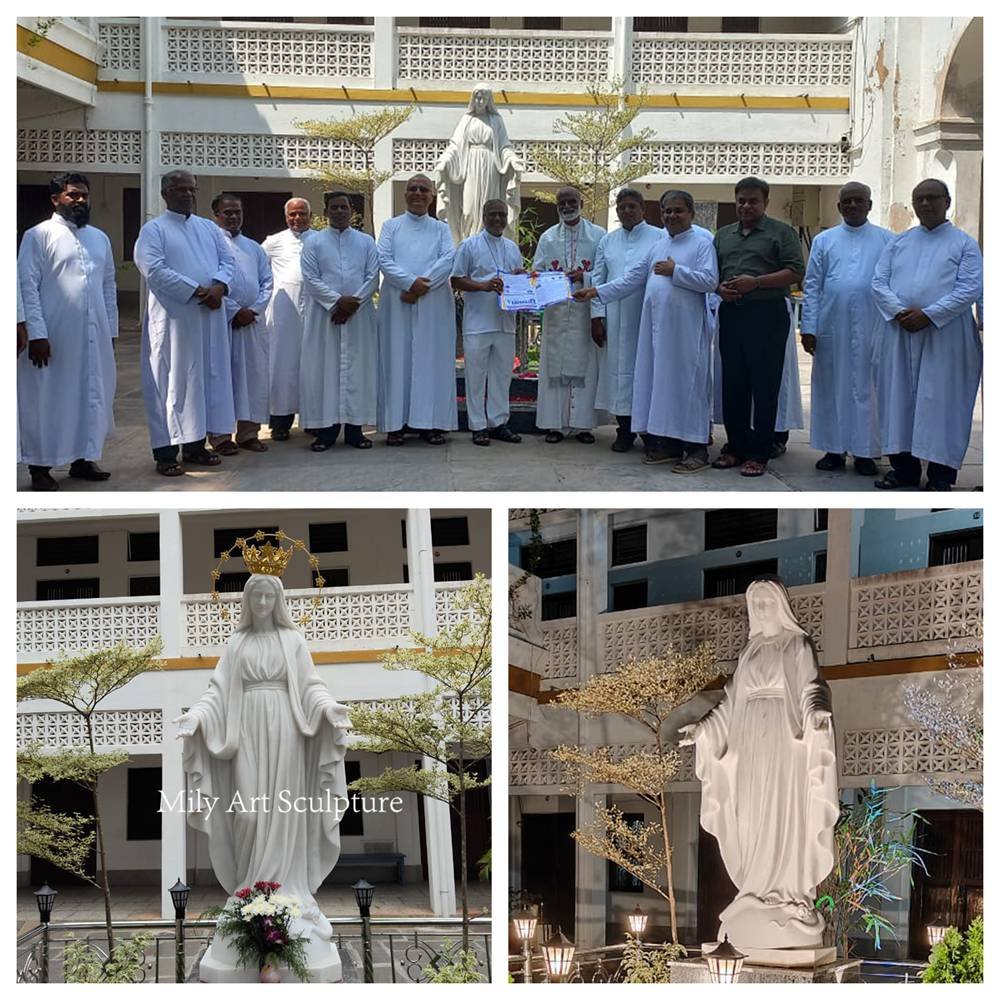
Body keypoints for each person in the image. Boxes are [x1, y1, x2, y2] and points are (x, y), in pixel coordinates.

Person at [176, 572, 350, 978]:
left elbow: (311, 686)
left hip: (287, 731)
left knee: (285, 811)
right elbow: (215, 693)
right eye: (256, 595)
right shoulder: (236, 645)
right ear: (247, 600)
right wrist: (196, 717)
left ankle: (287, 891)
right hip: (246, 730)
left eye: (269, 595)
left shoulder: (293, 642)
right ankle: (250, 891)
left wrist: (329, 709)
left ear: (278, 600)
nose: (262, 602)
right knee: (249, 813)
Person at [680, 578, 838, 949]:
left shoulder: (796, 644)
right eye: (757, 604)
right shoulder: (749, 653)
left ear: (780, 605)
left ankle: (786, 891)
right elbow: (729, 704)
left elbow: (812, 686)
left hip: (785, 746)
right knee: (749, 815)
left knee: (783, 815)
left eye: (767, 603)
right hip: (750, 746)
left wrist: (815, 711)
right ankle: (755, 888)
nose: (762, 610)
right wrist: (702, 730)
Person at [575, 190, 718, 473]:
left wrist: (677, 271)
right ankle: (671, 445)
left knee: (688, 387)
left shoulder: (702, 243)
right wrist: (595, 291)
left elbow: (710, 281)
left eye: (678, 211)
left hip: (686, 332)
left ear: (690, 213)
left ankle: (697, 449)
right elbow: (632, 279)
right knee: (662, 388)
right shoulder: (659, 244)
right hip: (657, 332)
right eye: (667, 211)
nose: (672, 216)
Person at [871, 178, 983, 491]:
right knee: (898, 402)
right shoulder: (899, 242)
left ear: (947, 202)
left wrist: (930, 315)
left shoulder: (964, 244)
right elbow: (879, 282)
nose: (925, 204)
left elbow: (970, 288)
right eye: (919, 198)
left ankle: (941, 477)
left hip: (945, 337)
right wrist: (898, 311)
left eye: (932, 198)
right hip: (900, 333)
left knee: (943, 404)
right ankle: (903, 471)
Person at [17, 171, 117, 491]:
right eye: (73, 194)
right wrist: (36, 334)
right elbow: (27, 287)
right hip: (52, 337)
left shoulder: (99, 238)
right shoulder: (38, 235)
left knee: (89, 396)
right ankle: (40, 466)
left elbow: (109, 286)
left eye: (84, 195)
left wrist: (110, 331)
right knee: (48, 399)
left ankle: (82, 459)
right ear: (56, 198)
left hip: (94, 336)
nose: (80, 200)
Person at [134, 169, 235, 476]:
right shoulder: (154, 230)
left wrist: (219, 286)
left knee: (203, 380)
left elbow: (227, 261)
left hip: (209, 316)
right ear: (165, 194)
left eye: (192, 190)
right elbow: (154, 269)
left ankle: (194, 447)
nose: (189, 195)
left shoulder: (208, 228)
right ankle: (165, 453)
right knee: (169, 382)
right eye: (181, 190)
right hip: (175, 319)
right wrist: (195, 290)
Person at [712, 177, 805, 477]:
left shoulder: (781, 232)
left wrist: (757, 282)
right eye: (741, 200)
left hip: (767, 314)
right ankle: (736, 446)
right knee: (733, 383)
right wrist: (719, 289)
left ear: (765, 202)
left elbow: (795, 271)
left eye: (753, 201)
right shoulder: (723, 235)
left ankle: (760, 452)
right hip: (732, 314)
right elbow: (712, 272)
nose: (746, 206)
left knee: (764, 386)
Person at [800, 182, 893, 475]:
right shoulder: (824, 240)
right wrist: (809, 326)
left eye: (858, 200)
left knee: (868, 389)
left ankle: (866, 453)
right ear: (838, 207)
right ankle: (833, 450)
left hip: (873, 326)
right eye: (847, 201)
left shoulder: (887, 240)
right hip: (832, 327)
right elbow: (812, 284)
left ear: (869, 205)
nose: (853, 205)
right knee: (832, 387)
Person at [376, 174, 458, 445]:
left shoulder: (441, 229)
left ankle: (431, 423)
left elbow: (448, 258)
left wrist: (423, 286)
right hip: (399, 302)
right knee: (396, 360)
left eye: (424, 189)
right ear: (405, 195)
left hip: (432, 303)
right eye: (413, 189)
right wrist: (410, 284)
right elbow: (384, 259)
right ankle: (395, 424)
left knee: (431, 361)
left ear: (432, 196)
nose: (418, 193)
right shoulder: (391, 226)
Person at [299, 191, 379, 452]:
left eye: (344, 207)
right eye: (334, 207)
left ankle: (356, 431)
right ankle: (326, 431)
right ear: (325, 212)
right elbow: (310, 278)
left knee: (358, 371)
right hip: (325, 318)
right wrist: (336, 302)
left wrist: (352, 303)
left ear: (351, 211)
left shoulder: (366, 242)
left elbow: (373, 276)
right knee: (325, 371)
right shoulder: (313, 243)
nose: (340, 211)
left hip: (359, 316)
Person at [590, 188, 662, 452]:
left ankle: (650, 432)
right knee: (617, 376)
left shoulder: (659, 237)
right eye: (622, 207)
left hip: (645, 317)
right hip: (614, 316)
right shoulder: (608, 241)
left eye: (632, 206)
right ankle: (625, 429)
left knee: (645, 374)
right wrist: (596, 317)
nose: (627, 211)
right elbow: (597, 279)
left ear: (643, 209)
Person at [534, 186, 606, 443]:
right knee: (555, 366)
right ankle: (554, 425)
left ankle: (583, 425)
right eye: (562, 203)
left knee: (585, 367)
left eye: (571, 201)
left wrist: (583, 277)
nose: (567, 206)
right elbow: (538, 271)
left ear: (581, 203)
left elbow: (602, 274)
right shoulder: (548, 237)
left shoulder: (599, 236)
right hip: (556, 313)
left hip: (585, 312)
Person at [450, 199, 524, 446]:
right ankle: (478, 425)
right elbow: (456, 279)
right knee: (476, 376)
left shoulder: (512, 248)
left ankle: (498, 422)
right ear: (483, 216)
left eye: (502, 215)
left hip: (506, 322)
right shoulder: (469, 246)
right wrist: (483, 285)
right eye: (493, 214)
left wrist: (524, 281)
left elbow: (518, 280)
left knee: (502, 376)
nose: (498, 219)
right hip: (478, 322)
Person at [209, 193, 273, 455]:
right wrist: (234, 310)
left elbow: (267, 281)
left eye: (238, 212)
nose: (234, 217)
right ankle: (221, 436)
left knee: (253, 378)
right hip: (224, 323)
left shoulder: (254, 247)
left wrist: (254, 309)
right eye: (228, 212)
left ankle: (249, 433)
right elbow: (210, 280)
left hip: (252, 324)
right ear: (217, 215)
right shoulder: (210, 245)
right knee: (224, 378)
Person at [435, 85, 523, 244]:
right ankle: (469, 242)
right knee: (468, 210)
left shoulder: (496, 121)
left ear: (489, 100)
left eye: (483, 97)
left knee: (491, 206)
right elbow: (455, 146)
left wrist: (512, 159)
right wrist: (445, 160)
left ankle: (490, 243)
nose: (480, 101)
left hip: (491, 167)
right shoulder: (466, 120)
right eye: (477, 97)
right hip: (470, 167)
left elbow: (504, 147)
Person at [263, 198, 315, 441]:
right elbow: (259, 270)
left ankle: (314, 420)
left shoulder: (319, 239)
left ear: (310, 215)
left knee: (313, 365)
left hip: (315, 310)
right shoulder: (273, 242)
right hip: (284, 311)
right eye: (292, 214)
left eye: (302, 213)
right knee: (282, 365)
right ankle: (280, 421)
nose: (297, 218)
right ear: (286, 217)